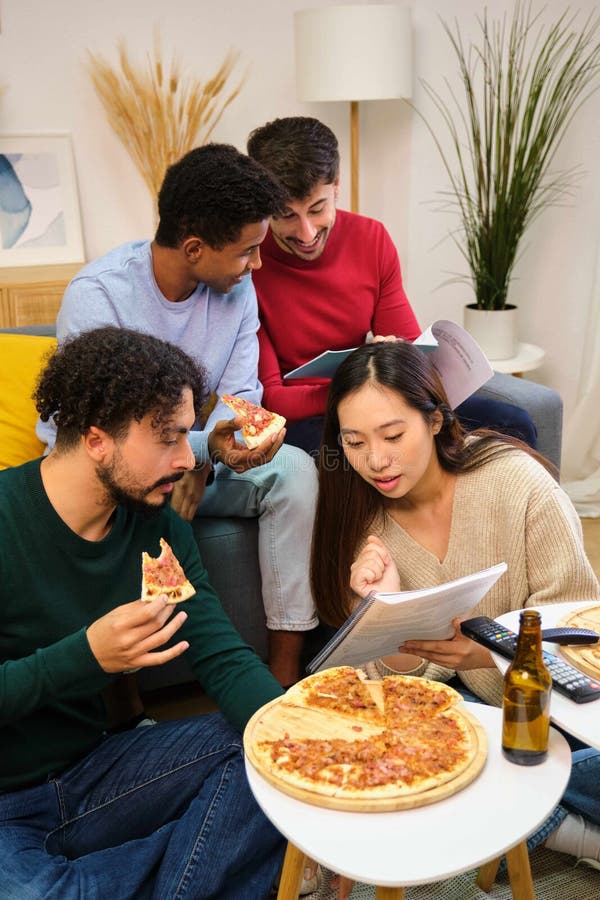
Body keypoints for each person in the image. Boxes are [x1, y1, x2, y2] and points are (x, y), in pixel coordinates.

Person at [0, 326, 288, 899]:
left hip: (97, 774)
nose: (188, 459)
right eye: (168, 438)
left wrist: (305, 739)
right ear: (98, 438)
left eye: (188, 435)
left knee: (269, 755)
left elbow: (222, 658)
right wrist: (84, 658)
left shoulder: (156, 523)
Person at [310, 339, 600, 887]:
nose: (375, 459)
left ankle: (533, 816)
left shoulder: (515, 482)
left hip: (560, 713)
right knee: (421, 762)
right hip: (473, 721)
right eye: (354, 442)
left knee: (463, 785)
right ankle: (575, 834)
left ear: (437, 420)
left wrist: (492, 652)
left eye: (393, 435)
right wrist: (383, 611)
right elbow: (388, 695)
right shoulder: (359, 523)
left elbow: (579, 630)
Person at [36, 143, 319, 688]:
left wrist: (215, 453)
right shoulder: (100, 296)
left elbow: (239, 397)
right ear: (194, 247)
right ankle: (120, 697)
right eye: (246, 252)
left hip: (197, 461)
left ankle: (285, 676)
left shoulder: (237, 291)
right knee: (130, 486)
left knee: (297, 471)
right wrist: (192, 456)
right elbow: (109, 434)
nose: (257, 264)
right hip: (111, 464)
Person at [247, 116, 537, 457]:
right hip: (311, 415)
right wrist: (353, 389)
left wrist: (396, 354)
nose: (307, 233)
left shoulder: (371, 239)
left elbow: (411, 349)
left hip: (376, 396)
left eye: (317, 209)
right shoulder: (249, 262)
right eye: (286, 216)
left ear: (336, 185)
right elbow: (271, 398)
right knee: (346, 456)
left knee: (514, 425)